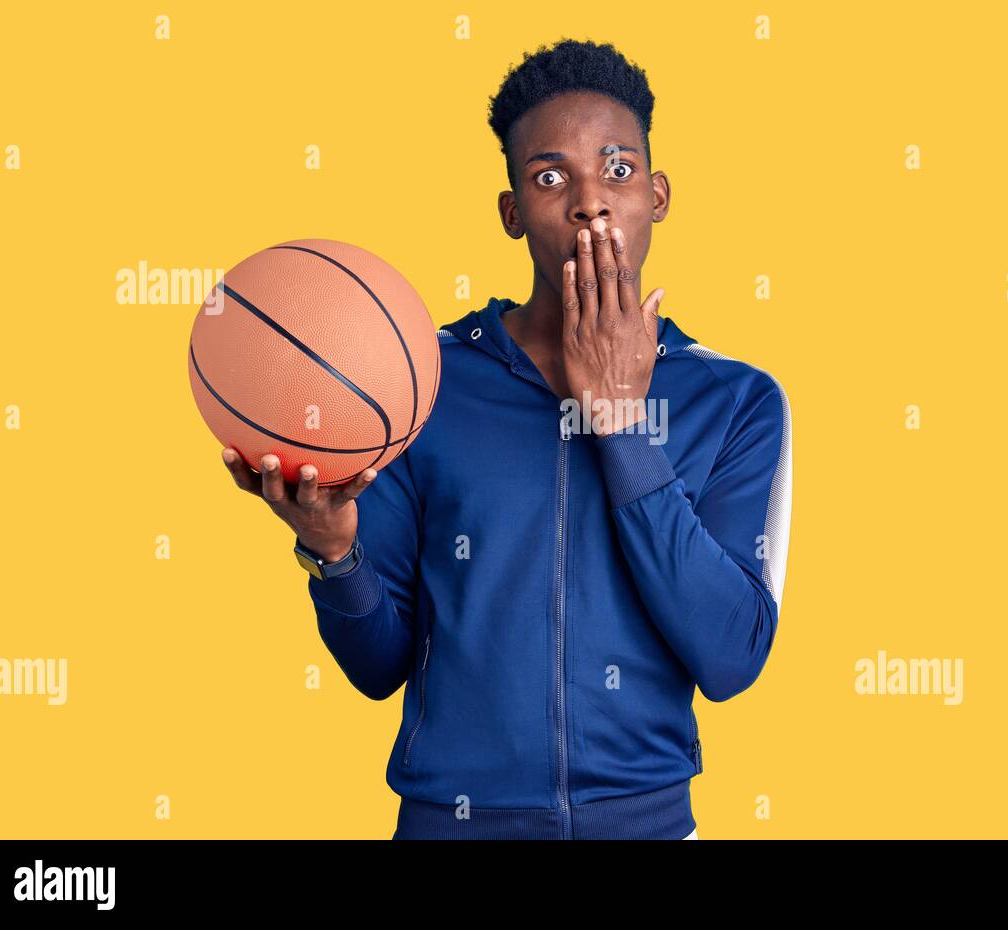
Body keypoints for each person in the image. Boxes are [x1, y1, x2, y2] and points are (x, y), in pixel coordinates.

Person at [221, 37, 792, 840]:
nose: (590, 201)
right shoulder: (419, 386)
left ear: (658, 196)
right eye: (551, 177)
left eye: (618, 170)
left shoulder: (734, 400)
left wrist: (621, 425)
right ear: (512, 212)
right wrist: (333, 552)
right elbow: (379, 666)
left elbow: (732, 657)